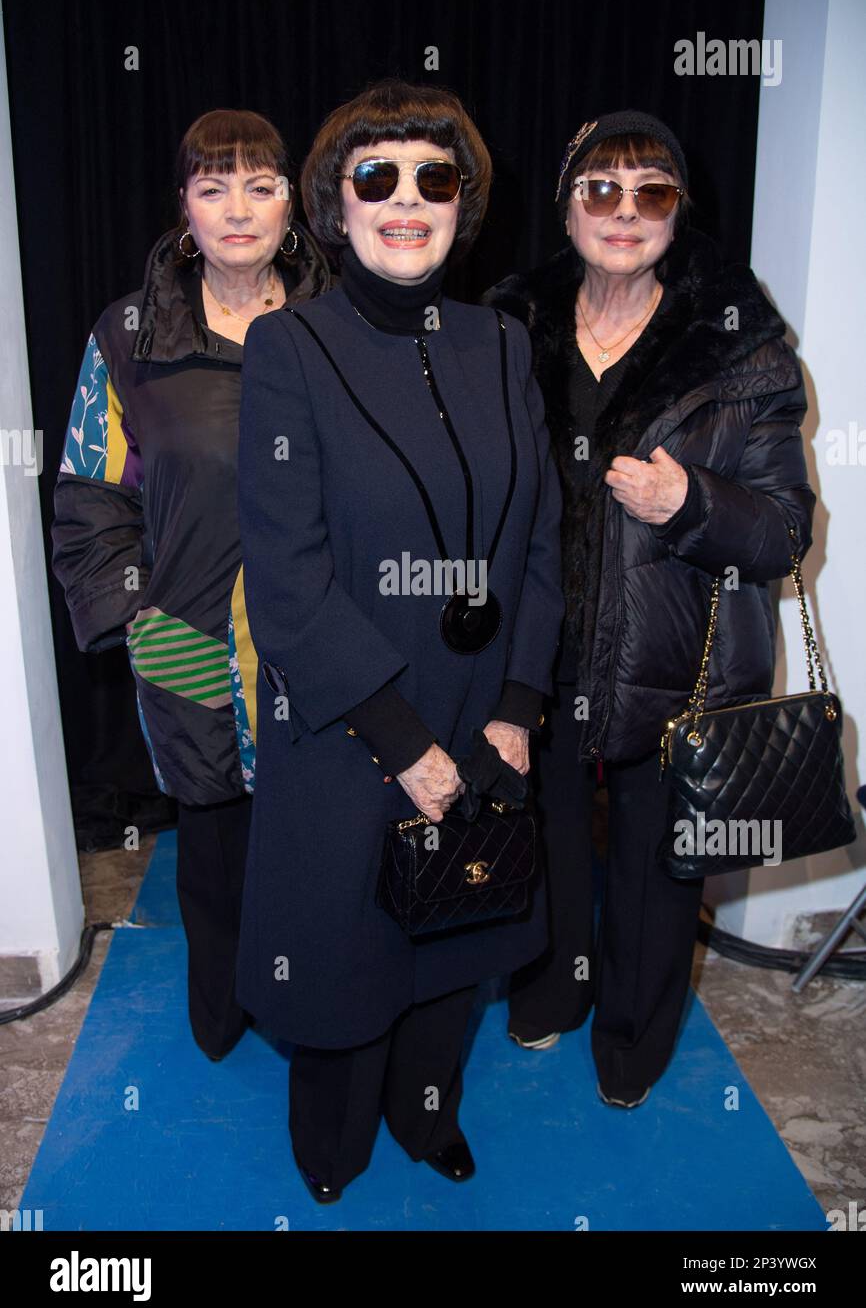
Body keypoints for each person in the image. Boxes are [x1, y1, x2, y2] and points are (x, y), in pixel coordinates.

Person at [236, 79, 563, 1201]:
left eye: (436, 177)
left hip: (485, 720)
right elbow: (285, 576)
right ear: (336, 203)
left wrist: (517, 708)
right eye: (378, 178)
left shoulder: (505, 343)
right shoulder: (289, 349)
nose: (408, 200)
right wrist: (400, 742)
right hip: (348, 724)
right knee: (346, 952)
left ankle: (426, 1120)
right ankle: (333, 1144)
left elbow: (538, 546)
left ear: (462, 199)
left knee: (454, 941)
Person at [483, 109, 815, 1107]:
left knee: (651, 868)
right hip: (534, 652)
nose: (623, 212)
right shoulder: (508, 325)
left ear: (679, 209)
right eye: (600, 189)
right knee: (536, 836)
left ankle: (630, 1039)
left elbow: (785, 535)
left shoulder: (738, 342)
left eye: (651, 192)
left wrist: (691, 504)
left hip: (672, 664)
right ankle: (547, 989)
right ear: (566, 202)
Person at [51, 109, 332, 1061]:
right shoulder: (131, 334)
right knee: (211, 845)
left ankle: (306, 1009)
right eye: (214, 188)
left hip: (322, 635)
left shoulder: (341, 319)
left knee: (313, 838)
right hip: (189, 634)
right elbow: (89, 488)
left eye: (260, 185)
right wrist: (134, 618)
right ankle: (221, 1010)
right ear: (184, 208)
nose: (237, 209)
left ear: (293, 202)